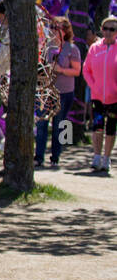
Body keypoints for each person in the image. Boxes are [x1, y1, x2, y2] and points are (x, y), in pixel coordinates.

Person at [36, 17, 82, 168]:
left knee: (59, 125)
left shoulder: (72, 49)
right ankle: (39, 157)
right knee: (42, 125)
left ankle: (55, 157)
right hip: (46, 92)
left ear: (66, 30)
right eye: (52, 27)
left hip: (64, 92)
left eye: (58, 28)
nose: (54, 31)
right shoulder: (46, 47)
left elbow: (76, 71)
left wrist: (61, 70)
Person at [82, 16, 117, 174]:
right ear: (101, 30)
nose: (108, 32)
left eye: (112, 29)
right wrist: (93, 85)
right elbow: (86, 69)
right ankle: (96, 156)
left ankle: (106, 158)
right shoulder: (95, 48)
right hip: (97, 96)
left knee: (110, 128)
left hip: (114, 98)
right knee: (97, 127)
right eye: (106, 29)